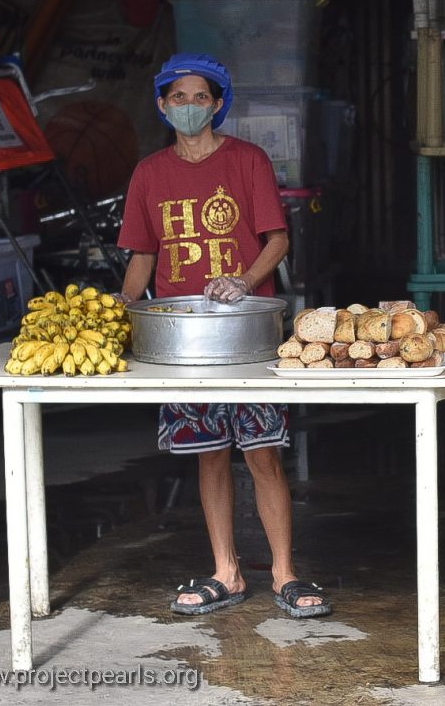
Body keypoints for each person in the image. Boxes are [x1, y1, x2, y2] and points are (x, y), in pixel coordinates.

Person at [117, 53, 331, 619]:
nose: (189, 106)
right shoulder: (149, 173)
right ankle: (226, 572)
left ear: (217, 104)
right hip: (182, 341)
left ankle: (284, 572)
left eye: (200, 97)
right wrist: (121, 309)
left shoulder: (247, 160)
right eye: (178, 98)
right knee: (209, 457)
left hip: (246, 334)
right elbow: (143, 253)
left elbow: (277, 239)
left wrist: (245, 280)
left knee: (263, 454)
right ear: (162, 106)